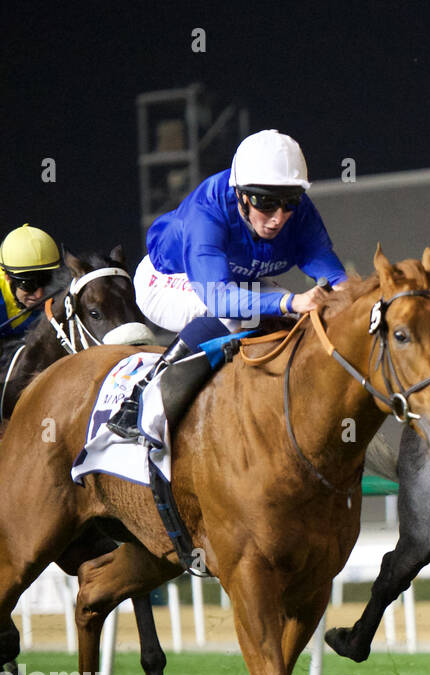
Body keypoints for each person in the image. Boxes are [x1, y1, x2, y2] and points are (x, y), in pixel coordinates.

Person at [106, 129, 349, 441]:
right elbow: (220, 298)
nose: (278, 218)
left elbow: (334, 274)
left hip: (235, 279)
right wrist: (292, 302)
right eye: (266, 203)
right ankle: (141, 400)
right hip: (168, 279)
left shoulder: (297, 212)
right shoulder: (206, 212)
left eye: (289, 203)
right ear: (241, 195)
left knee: (294, 318)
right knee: (244, 314)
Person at [0, 224, 62, 372]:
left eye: (45, 281)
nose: (39, 295)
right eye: (28, 285)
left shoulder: (57, 295)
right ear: (8, 277)